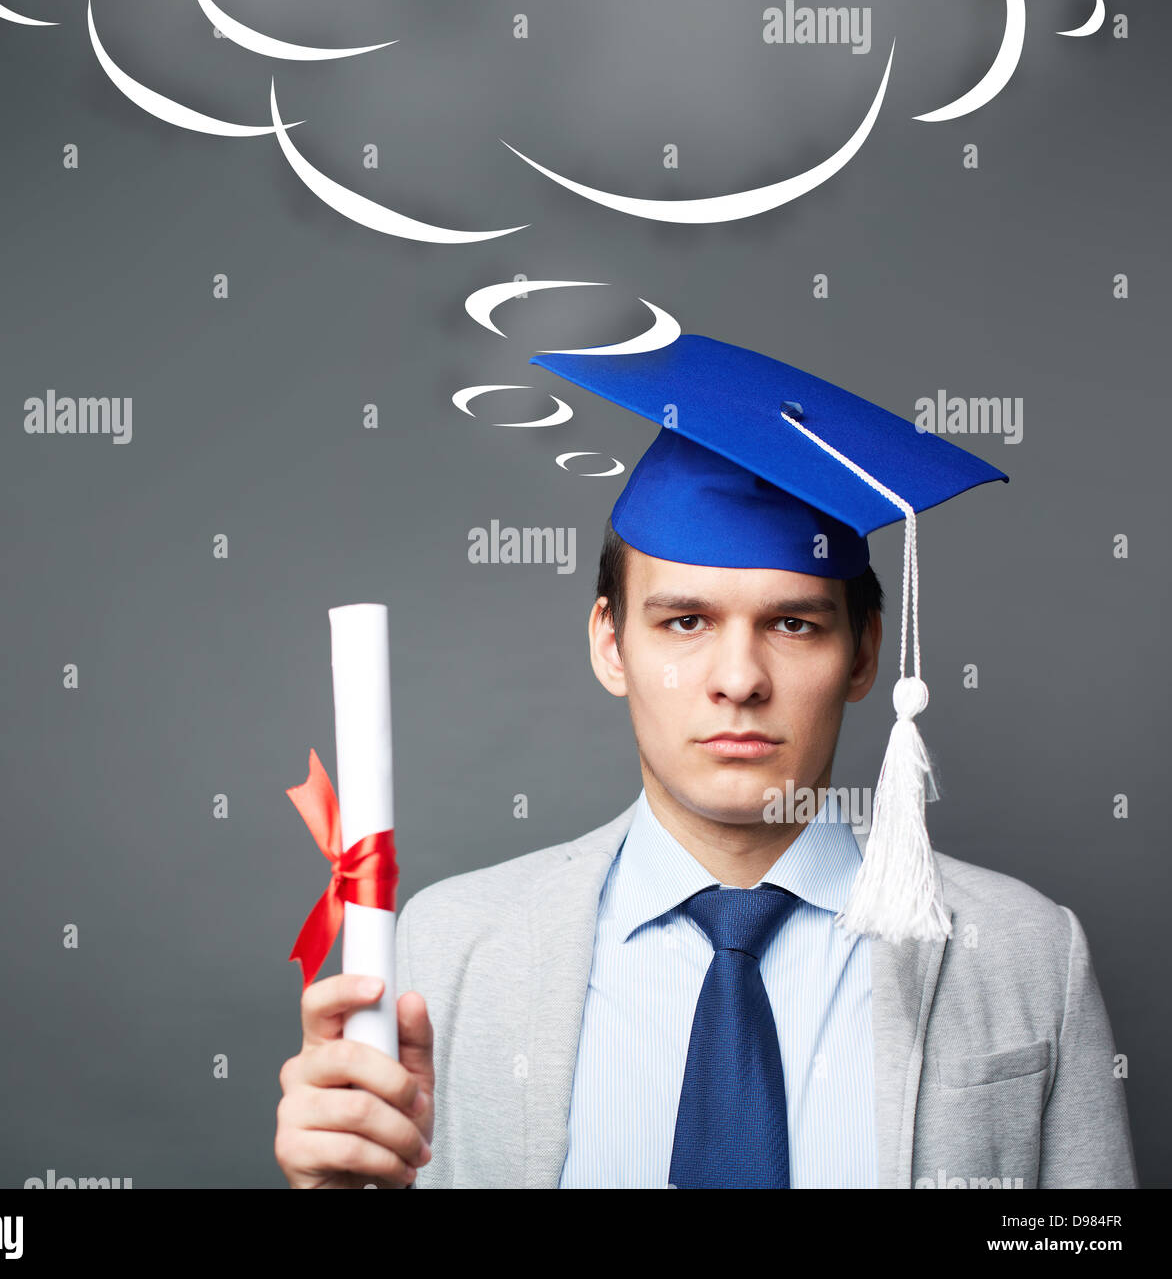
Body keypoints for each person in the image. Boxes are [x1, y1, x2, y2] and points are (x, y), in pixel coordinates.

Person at [274, 334, 1137, 1189]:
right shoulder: (452, 946)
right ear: (610, 645)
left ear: (866, 653)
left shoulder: (1025, 950)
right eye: (685, 621)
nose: (739, 680)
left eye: (793, 623)